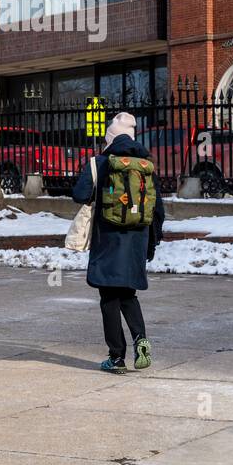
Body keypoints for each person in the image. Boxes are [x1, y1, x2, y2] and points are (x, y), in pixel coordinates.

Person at [72, 112, 165, 374]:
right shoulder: (146, 166)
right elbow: (158, 210)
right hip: (137, 241)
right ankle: (141, 340)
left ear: (110, 138)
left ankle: (116, 357)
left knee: (108, 298)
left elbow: (79, 194)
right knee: (129, 296)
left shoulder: (99, 162)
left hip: (108, 241)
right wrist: (152, 244)